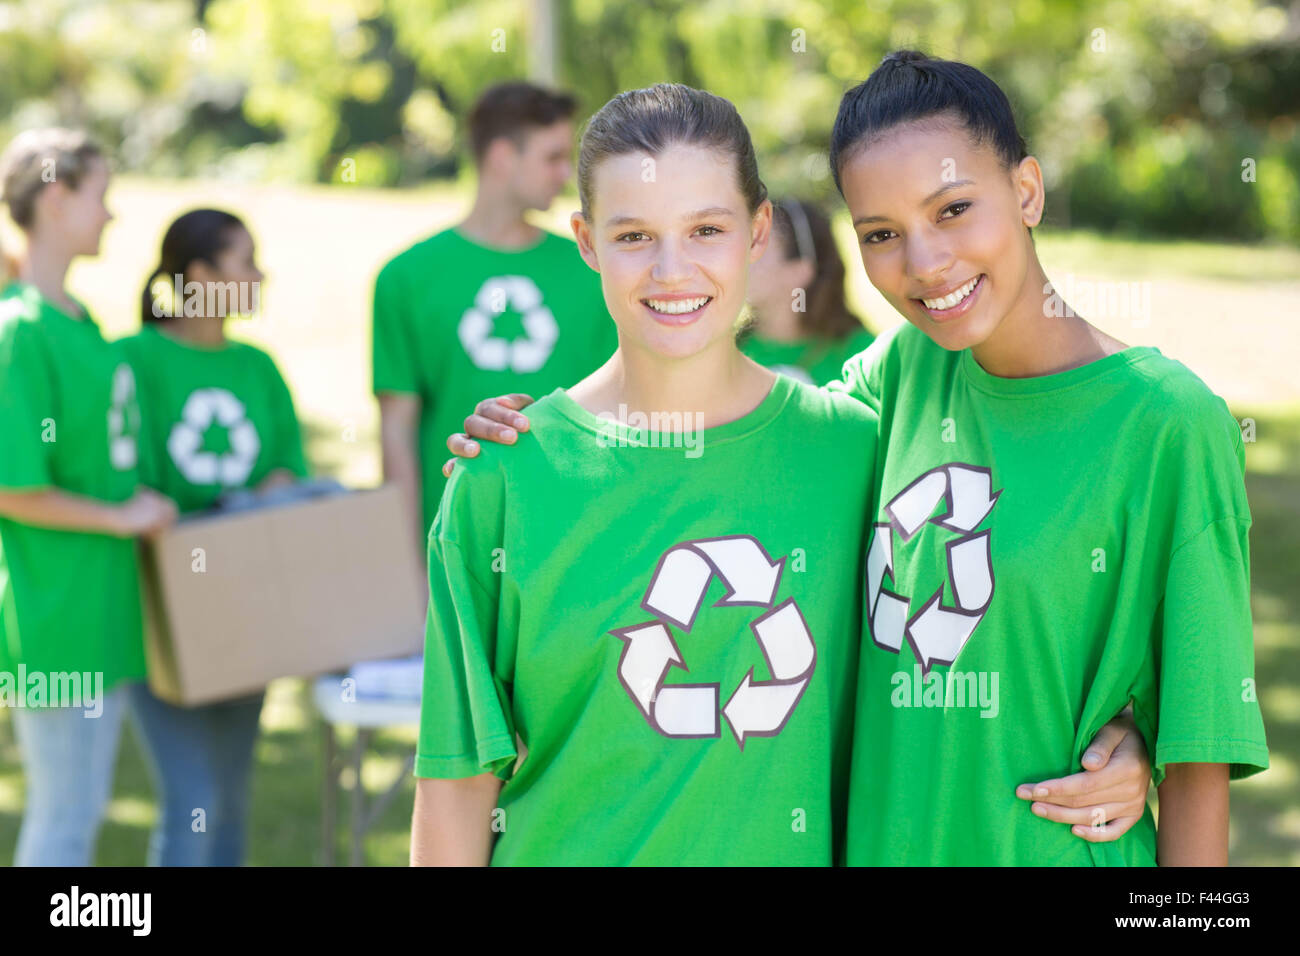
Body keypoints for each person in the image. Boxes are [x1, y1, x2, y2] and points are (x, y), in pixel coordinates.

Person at [410, 83, 880, 866]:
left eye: (706, 229)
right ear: (586, 242)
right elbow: (457, 784)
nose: (672, 271)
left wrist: (1121, 746)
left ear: (758, 232)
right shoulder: (502, 478)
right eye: (633, 236)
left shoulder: (854, 454)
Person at [824, 50, 1268, 865]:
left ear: (1026, 191)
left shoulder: (1167, 421)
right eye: (881, 234)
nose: (924, 264)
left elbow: (1200, 745)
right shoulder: (897, 374)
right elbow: (741, 452)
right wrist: (550, 431)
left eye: (954, 209)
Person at [0, 129, 177, 866]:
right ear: (55, 197)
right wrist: (121, 517)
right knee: (65, 817)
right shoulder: (19, 332)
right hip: (55, 619)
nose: (112, 214)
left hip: (103, 613)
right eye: (101, 196)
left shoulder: (80, 322)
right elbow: (14, 489)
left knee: (81, 809)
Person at [120, 208, 308, 866]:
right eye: (245, 261)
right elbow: (129, 485)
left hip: (246, 606)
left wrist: (256, 502)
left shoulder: (257, 366)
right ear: (200, 275)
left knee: (228, 801)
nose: (261, 275)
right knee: (192, 800)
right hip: (161, 612)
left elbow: (289, 467)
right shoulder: (133, 363)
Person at [372, 81, 618, 562]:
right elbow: (396, 430)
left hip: (572, 541)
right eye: (552, 157)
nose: (565, 173)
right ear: (503, 157)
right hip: (453, 539)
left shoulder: (594, 273)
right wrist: (404, 562)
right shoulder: (405, 278)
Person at [739, 198, 876, 385]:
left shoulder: (865, 356)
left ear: (800, 271)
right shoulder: (721, 354)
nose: (737, 260)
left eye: (756, 247)